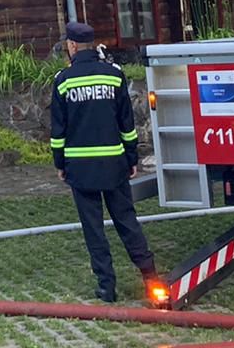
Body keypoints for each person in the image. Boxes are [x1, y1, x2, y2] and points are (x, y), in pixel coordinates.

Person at [50, 21, 157, 302]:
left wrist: (60, 164)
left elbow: (58, 132)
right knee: (126, 220)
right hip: (114, 164)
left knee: (93, 228)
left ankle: (106, 287)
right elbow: (127, 125)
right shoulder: (114, 76)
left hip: (80, 169)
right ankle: (150, 276)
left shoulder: (63, 81)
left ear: (72, 46)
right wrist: (131, 157)